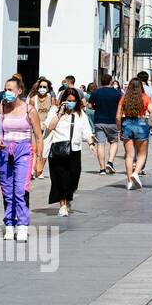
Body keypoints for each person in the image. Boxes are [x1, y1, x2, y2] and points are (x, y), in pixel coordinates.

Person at [0, 77, 42, 241]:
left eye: (10, 89)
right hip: (4, 151)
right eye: (5, 89)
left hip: (23, 150)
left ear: (19, 91)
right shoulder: (2, 108)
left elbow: (38, 136)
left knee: (20, 190)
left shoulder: (29, 110)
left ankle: (22, 226)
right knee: (7, 191)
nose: (7, 93)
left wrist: (39, 160)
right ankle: (9, 225)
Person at [43, 87, 96, 217]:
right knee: (61, 179)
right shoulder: (55, 111)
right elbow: (50, 126)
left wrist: (91, 144)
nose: (70, 103)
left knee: (73, 178)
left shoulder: (80, 114)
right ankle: (63, 205)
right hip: (58, 150)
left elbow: (87, 130)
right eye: (68, 100)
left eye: (73, 100)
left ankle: (68, 198)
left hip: (74, 149)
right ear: (63, 100)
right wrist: (60, 112)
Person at [118, 78, 152, 190]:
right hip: (141, 123)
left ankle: (129, 181)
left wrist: (119, 129)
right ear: (141, 87)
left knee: (129, 155)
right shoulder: (145, 98)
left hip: (127, 124)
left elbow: (118, 116)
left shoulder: (124, 98)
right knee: (142, 154)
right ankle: (136, 173)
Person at [88, 74, 123, 174]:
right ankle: (110, 162)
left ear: (101, 81)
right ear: (111, 81)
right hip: (112, 121)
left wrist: (97, 108)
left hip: (99, 121)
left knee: (100, 144)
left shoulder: (96, 92)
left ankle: (102, 168)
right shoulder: (116, 93)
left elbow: (89, 105)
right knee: (114, 142)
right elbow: (120, 106)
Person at [29, 77, 55, 180]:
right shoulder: (33, 99)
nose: (42, 88)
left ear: (48, 88)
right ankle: (31, 171)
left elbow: (53, 113)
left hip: (47, 128)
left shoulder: (52, 99)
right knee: (34, 149)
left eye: (45, 87)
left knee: (44, 150)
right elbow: (29, 113)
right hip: (35, 128)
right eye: (40, 86)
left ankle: (39, 170)